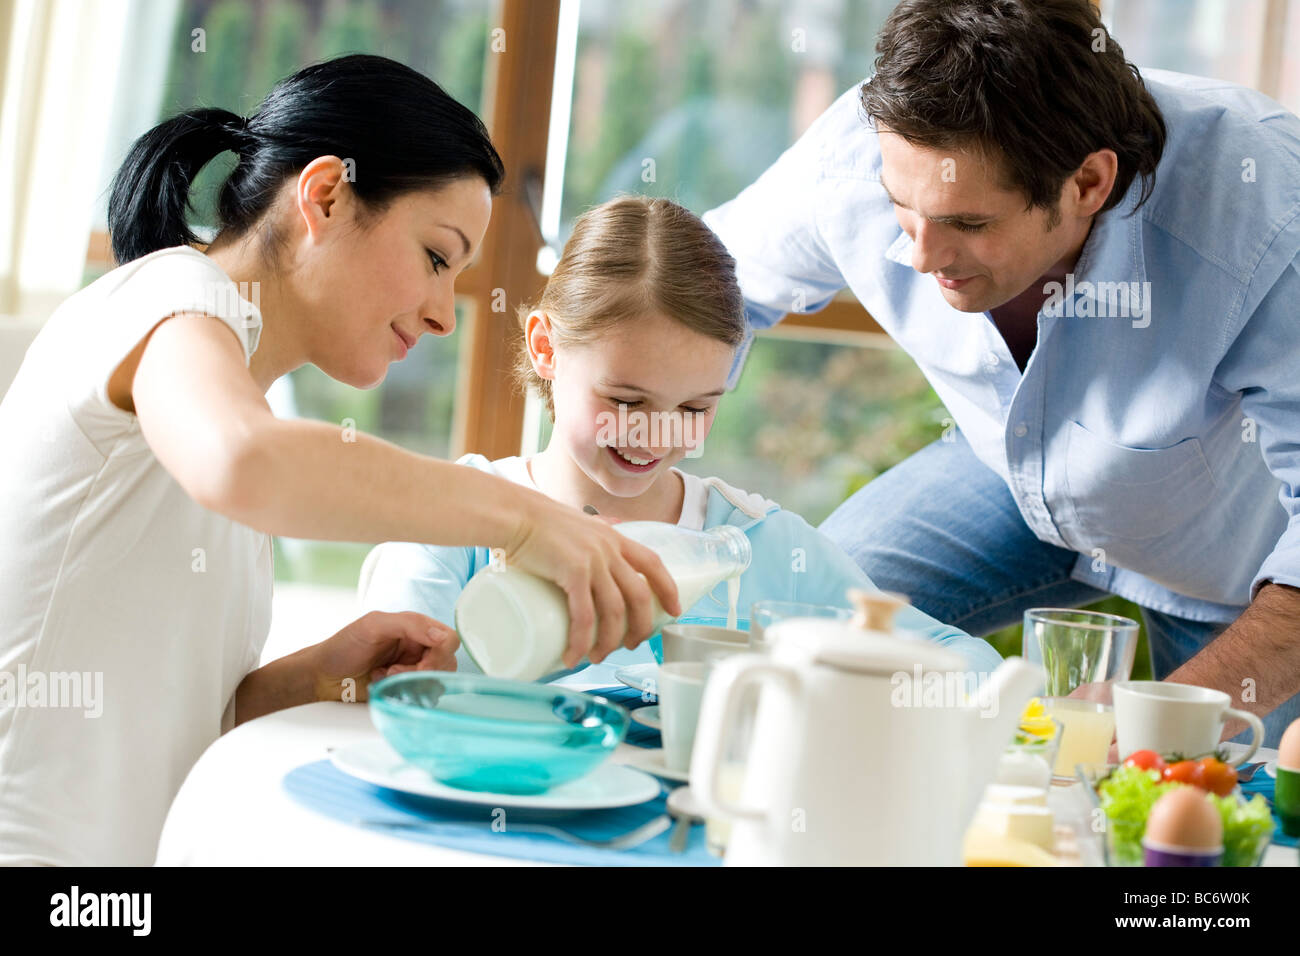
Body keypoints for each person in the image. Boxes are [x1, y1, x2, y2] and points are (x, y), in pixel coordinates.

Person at [0, 54, 680, 867]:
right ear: (325, 195)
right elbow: (249, 464)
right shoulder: (168, 300)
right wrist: (525, 517)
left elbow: (162, 727)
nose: (442, 317)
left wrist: (314, 679)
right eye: (437, 257)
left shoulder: (231, 399)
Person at [701, 0, 1300, 745]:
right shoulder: (859, 151)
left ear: (1088, 183)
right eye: (901, 209)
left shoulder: (1269, 207)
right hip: (1007, 476)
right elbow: (700, 284)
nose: (920, 258)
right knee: (814, 635)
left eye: (969, 224)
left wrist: (1165, 716)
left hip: (1233, 555)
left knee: (1212, 810)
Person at [358, 195, 1002, 681]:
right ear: (546, 347)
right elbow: (385, 694)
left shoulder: (760, 548)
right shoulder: (455, 525)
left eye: (695, 406)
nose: (654, 432)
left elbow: (954, 661)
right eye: (625, 399)